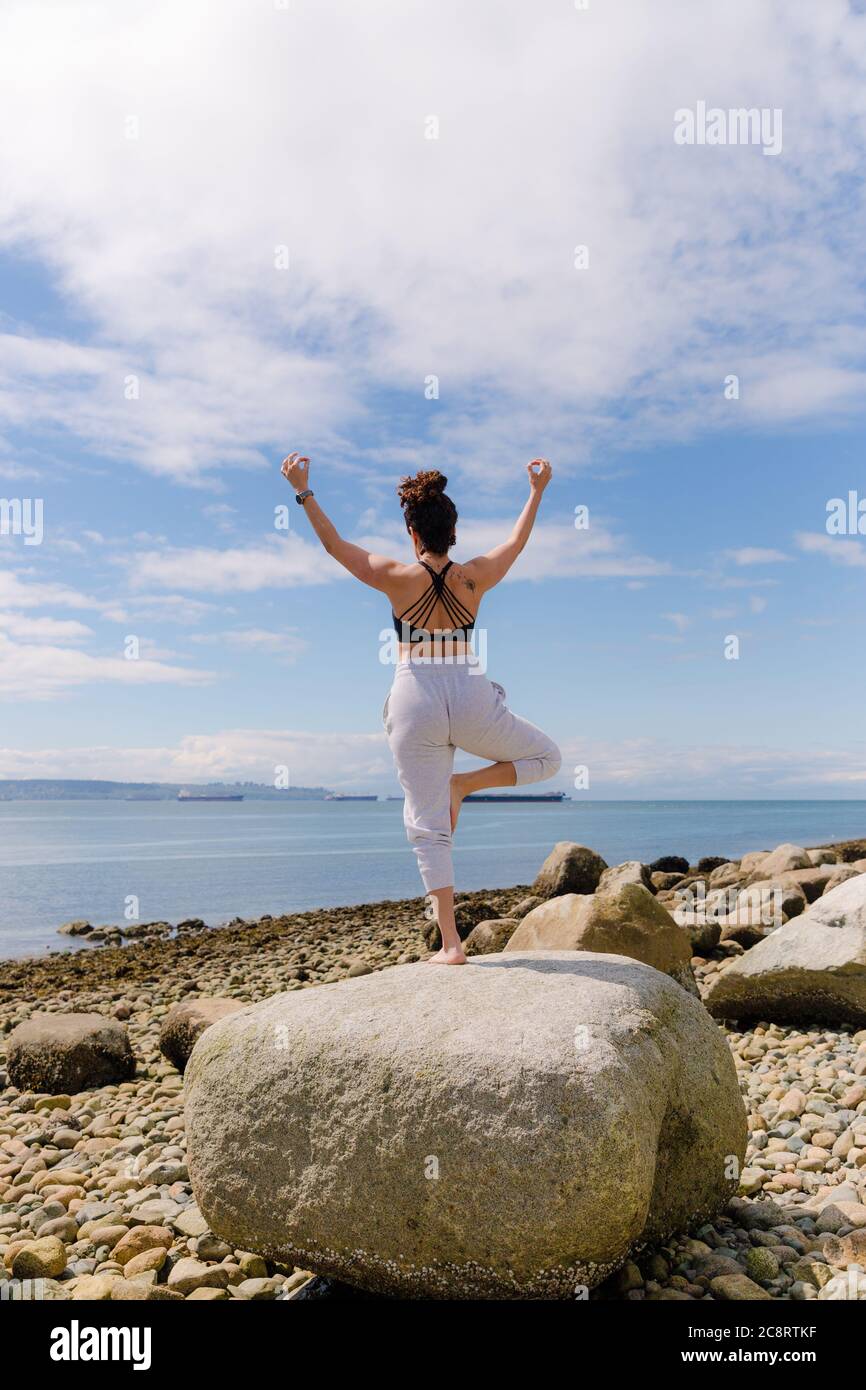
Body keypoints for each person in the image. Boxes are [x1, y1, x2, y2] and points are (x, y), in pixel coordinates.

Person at [281, 452, 561, 963]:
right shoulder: (474, 577)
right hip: (470, 691)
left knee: (426, 824)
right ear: (453, 532)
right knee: (549, 759)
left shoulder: (396, 577)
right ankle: (467, 785)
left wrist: (303, 490)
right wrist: (536, 491)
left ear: (412, 533)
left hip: (415, 696)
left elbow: (334, 546)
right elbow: (517, 542)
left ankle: (451, 944)